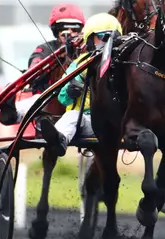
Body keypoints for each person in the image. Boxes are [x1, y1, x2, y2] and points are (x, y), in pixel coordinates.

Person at [37, 13, 123, 156]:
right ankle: (58, 140)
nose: (107, 41)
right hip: (90, 122)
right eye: (102, 36)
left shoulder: (125, 63)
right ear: (90, 39)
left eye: (112, 36)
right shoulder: (80, 64)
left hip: (119, 124)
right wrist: (70, 91)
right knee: (72, 116)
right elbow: (62, 98)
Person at [0, 3, 86, 125]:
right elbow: (34, 66)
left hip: (80, 99)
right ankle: (12, 114)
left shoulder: (87, 50)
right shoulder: (45, 49)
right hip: (46, 98)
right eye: (64, 28)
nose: (69, 33)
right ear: (56, 30)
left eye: (74, 29)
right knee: (34, 103)